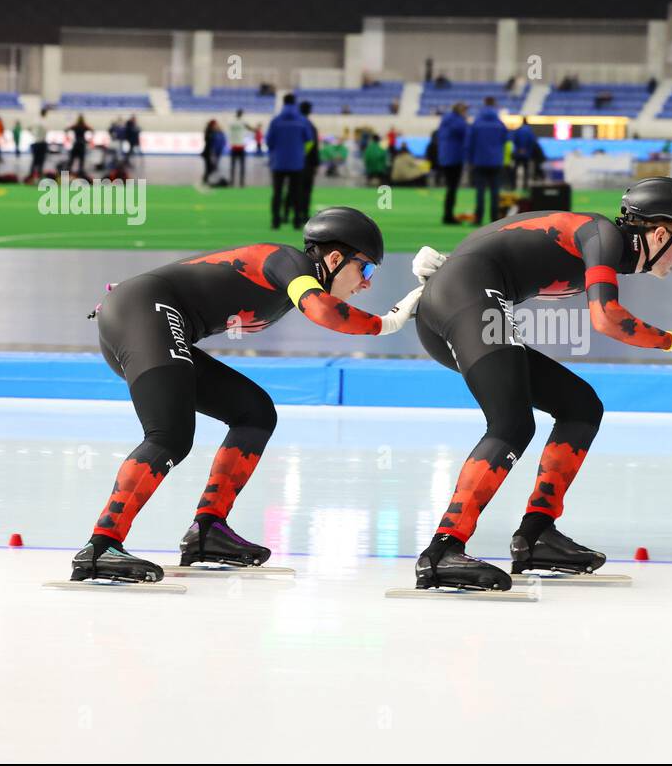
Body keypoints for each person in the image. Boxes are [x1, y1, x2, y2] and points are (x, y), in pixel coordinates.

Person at [71, 208, 425, 584]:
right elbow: (323, 311)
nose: (367, 284)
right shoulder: (288, 262)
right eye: (367, 270)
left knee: (254, 412)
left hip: (147, 318)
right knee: (169, 435)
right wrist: (390, 320)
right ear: (335, 259)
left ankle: (208, 530)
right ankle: (100, 545)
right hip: (142, 311)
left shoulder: (295, 281)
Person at [410, 177, 672, 592]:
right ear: (660, 233)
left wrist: (454, 265)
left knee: (579, 406)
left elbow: (512, 243)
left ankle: (537, 532)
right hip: (463, 298)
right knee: (512, 424)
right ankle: (442, 548)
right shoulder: (604, 237)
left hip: (460, 296)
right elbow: (606, 317)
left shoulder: (607, 248)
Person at [265, 94, 315, 230]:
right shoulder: (302, 120)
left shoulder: (275, 121)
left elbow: (269, 141)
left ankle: (276, 221)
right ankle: (297, 221)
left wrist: (275, 153)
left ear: (283, 102)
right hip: (297, 163)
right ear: (295, 103)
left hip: (278, 162)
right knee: (296, 192)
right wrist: (301, 153)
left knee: (277, 192)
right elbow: (310, 141)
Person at [465, 96, 508, 222]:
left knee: (480, 191)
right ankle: (494, 218)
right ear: (494, 104)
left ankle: (478, 217)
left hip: (479, 161)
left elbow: (469, 144)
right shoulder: (500, 124)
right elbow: (505, 140)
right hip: (495, 161)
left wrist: (470, 160)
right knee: (495, 192)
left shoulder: (477, 123)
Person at [435, 103, 468, 224]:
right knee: (452, 188)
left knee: (450, 187)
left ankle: (447, 214)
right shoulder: (459, 122)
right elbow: (466, 133)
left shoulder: (445, 121)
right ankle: (448, 215)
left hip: (445, 157)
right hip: (455, 158)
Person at [298, 101, 319, 214]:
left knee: (294, 188)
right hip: (307, 162)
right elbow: (313, 145)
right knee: (306, 189)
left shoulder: (297, 123)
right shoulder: (309, 126)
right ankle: (303, 213)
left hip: (294, 161)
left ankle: (289, 213)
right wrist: (316, 162)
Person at [511, 116, 537, 190]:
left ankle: (513, 185)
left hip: (518, 154)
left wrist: (519, 149)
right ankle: (525, 186)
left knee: (515, 170)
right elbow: (532, 142)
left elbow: (514, 140)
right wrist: (527, 150)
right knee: (526, 171)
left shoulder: (518, 130)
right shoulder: (530, 131)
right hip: (526, 154)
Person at [228, 109, 249, 188]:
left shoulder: (232, 122)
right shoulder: (243, 123)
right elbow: (250, 128)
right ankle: (241, 183)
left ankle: (232, 182)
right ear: (241, 114)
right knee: (242, 166)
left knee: (233, 166)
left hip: (233, 146)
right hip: (241, 146)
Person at [28, 109, 49, 181]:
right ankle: (37, 175)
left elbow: (29, 128)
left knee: (35, 160)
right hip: (41, 143)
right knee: (40, 160)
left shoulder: (36, 121)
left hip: (36, 143)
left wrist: (34, 135)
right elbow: (45, 131)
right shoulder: (42, 122)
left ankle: (32, 175)